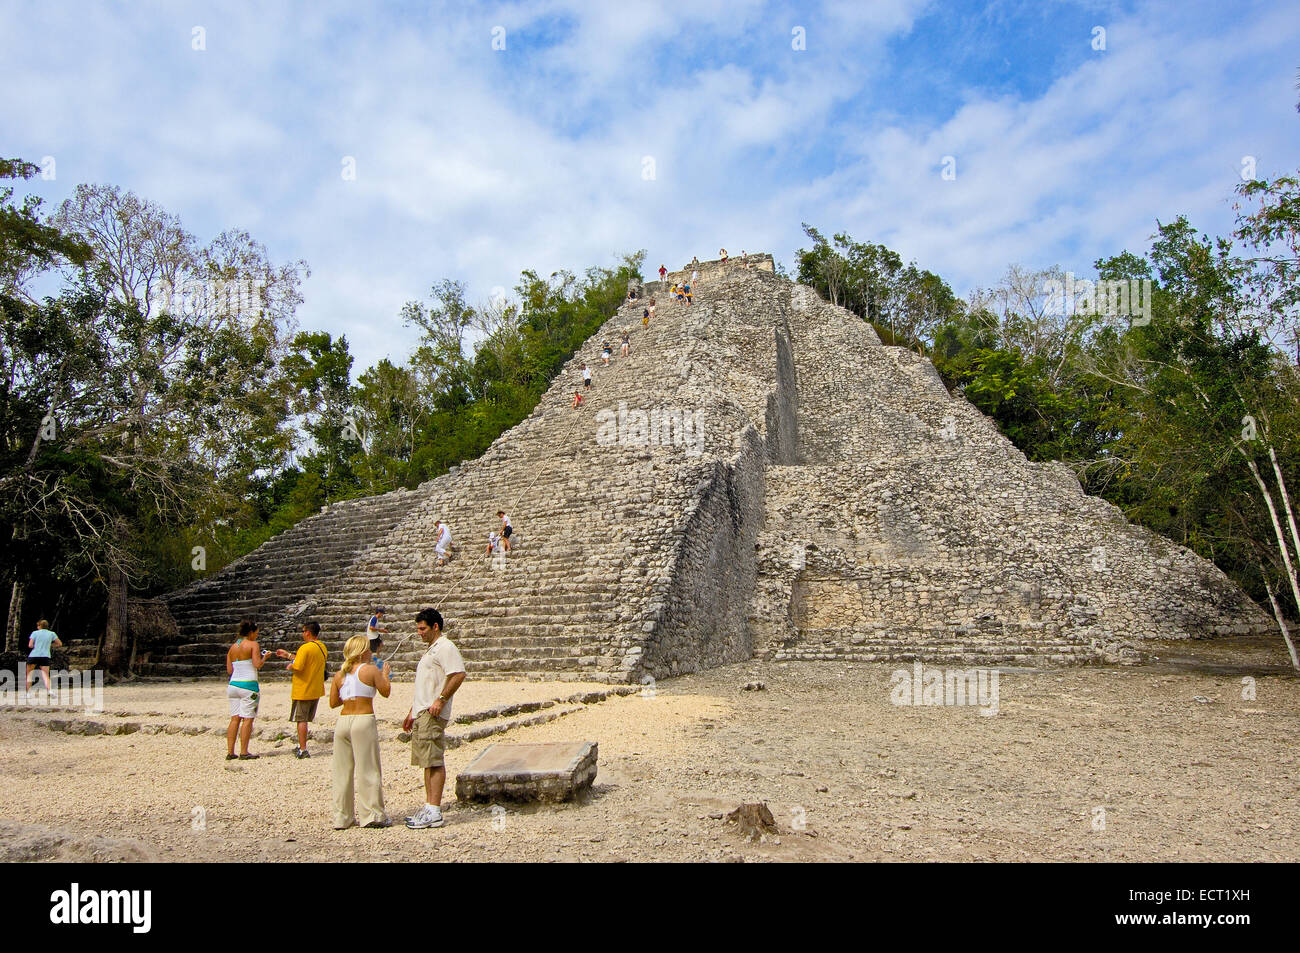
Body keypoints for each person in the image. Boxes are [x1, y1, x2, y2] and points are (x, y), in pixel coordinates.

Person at [404, 608, 466, 830]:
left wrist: (440, 700)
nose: (419, 633)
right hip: (423, 712)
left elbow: (458, 674)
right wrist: (412, 712)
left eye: (422, 628)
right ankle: (430, 807)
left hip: (433, 712)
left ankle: (435, 810)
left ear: (435, 627)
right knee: (426, 761)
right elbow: (426, 683)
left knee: (434, 759)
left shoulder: (445, 647)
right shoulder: (432, 649)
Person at [329, 635, 392, 829]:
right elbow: (385, 691)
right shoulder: (370, 670)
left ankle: (342, 816)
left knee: (342, 772)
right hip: (363, 719)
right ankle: (372, 814)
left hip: (343, 720)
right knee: (368, 768)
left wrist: (350, 694)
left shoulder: (340, 675)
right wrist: (385, 675)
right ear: (363, 651)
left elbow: (333, 702)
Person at [275, 621, 328, 758]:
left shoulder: (305, 648)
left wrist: (290, 665)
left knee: (301, 719)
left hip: (304, 689)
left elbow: (298, 666)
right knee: (304, 718)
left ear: (308, 632)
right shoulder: (321, 646)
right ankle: (300, 745)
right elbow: (306, 661)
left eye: (303, 631)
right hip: (315, 689)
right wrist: (288, 655)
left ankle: (303, 749)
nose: (302, 634)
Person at [226, 619, 269, 760]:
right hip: (248, 685)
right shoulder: (253, 645)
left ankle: (230, 752)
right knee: (247, 719)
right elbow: (257, 664)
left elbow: (229, 669)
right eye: (256, 633)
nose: (256, 636)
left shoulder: (232, 647)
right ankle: (244, 751)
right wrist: (264, 658)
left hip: (233, 685)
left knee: (234, 719)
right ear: (251, 633)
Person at [25, 620, 61, 696]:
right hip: (45, 655)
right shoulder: (52, 634)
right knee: (46, 675)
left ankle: (28, 693)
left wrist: (36, 646)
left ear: (39, 626)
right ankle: (49, 691)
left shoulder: (34, 633)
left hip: (34, 655)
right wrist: (49, 645)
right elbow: (59, 643)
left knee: (29, 674)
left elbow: (30, 645)